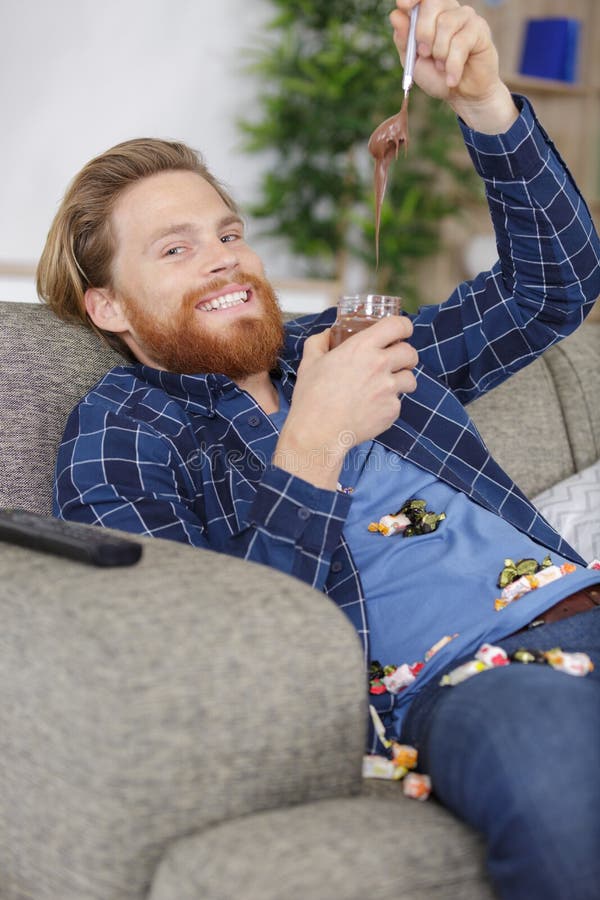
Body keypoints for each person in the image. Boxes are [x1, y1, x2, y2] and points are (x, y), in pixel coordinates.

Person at [38, 1, 600, 897]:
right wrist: (312, 445)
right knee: (568, 801)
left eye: (228, 233)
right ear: (108, 306)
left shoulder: (337, 342)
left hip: (583, 600)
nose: (224, 259)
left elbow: (554, 290)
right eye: (176, 249)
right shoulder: (123, 433)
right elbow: (204, 655)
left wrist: (486, 106)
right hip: (469, 683)